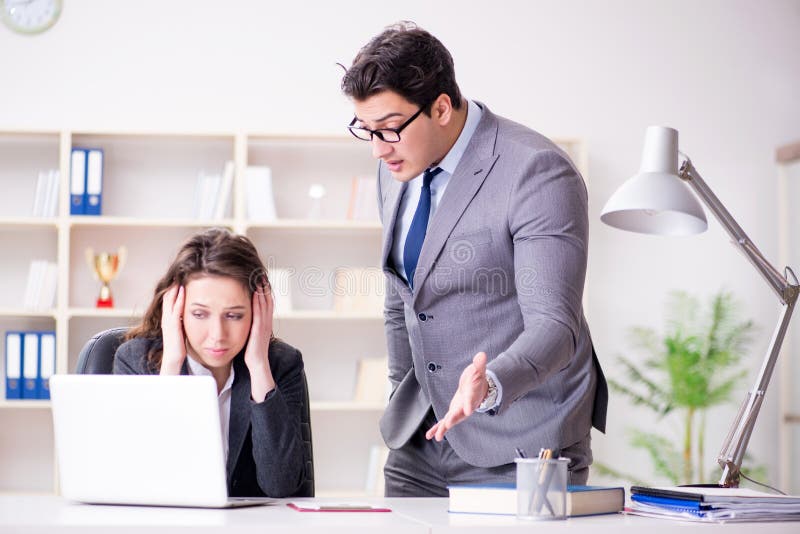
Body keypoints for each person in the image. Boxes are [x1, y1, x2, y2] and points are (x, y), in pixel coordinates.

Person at [341, 22, 608, 496]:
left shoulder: (535, 170)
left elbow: (555, 326)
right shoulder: (396, 169)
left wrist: (490, 385)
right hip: (420, 439)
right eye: (367, 130)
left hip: (522, 439)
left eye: (390, 129)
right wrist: (400, 394)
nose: (379, 148)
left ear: (441, 106)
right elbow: (402, 298)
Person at [113, 228, 310, 498]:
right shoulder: (136, 361)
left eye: (234, 315)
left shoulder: (280, 364)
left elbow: (281, 485)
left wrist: (258, 366)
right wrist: (170, 366)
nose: (217, 335)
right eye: (200, 314)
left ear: (257, 311)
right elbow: (142, 477)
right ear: (176, 309)